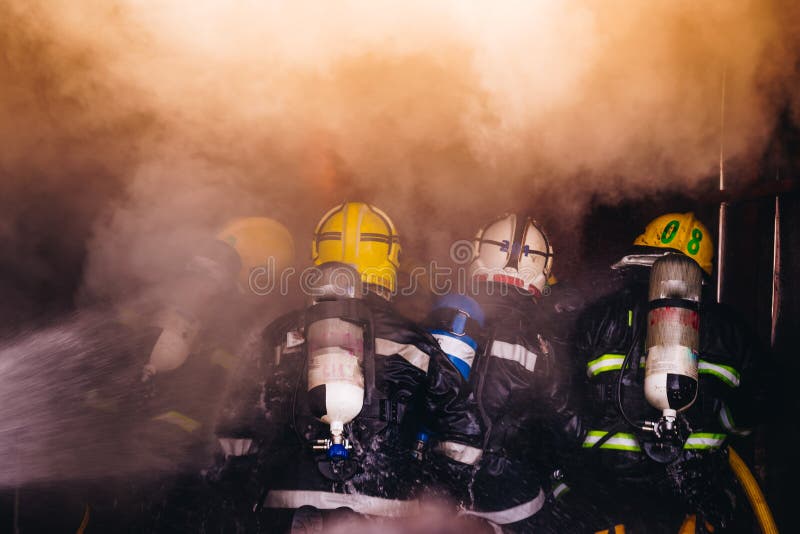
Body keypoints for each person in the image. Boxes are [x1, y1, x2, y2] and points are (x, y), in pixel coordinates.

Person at [211, 202, 477, 532]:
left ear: (318, 252)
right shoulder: (415, 340)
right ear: (390, 257)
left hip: (286, 506)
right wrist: (440, 496)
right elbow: (462, 429)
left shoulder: (280, 334)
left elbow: (237, 423)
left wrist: (239, 496)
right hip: (386, 510)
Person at [574, 212, 766, 533]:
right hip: (690, 499)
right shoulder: (731, 329)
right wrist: (714, 418)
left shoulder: (598, 316)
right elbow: (754, 408)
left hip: (606, 498)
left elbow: (564, 406)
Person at [427, 213, 582, 533]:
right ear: (543, 269)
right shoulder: (544, 338)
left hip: (439, 485)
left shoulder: (449, 312)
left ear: (479, 253)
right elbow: (567, 427)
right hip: (512, 493)